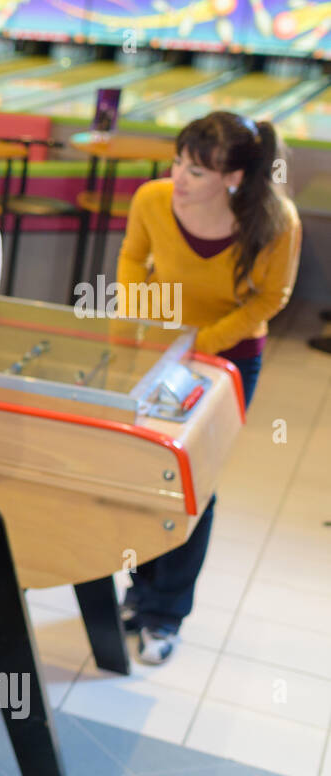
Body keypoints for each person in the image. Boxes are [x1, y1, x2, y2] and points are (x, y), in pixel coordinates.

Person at [117, 111, 301, 665]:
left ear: (235, 178)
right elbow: (130, 259)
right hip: (156, 353)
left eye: (196, 170)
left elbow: (271, 301)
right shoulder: (151, 199)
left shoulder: (275, 223)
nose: (178, 177)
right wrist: (129, 331)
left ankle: (164, 614)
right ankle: (139, 588)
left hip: (226, 363)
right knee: (144, 474)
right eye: (178, 162)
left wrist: (204, 346)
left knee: (192, 485)